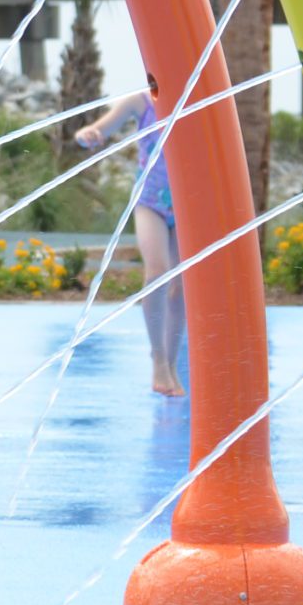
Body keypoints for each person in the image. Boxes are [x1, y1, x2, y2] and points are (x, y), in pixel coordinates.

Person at [78, 89, 184, 398]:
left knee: (182, 285)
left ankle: (172, 361)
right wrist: (92, 133)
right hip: (150, 202)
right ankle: (159, 359)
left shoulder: (196, 100)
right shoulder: (142, 102)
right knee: (156, 273)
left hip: (186, 206)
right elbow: (106, 125)